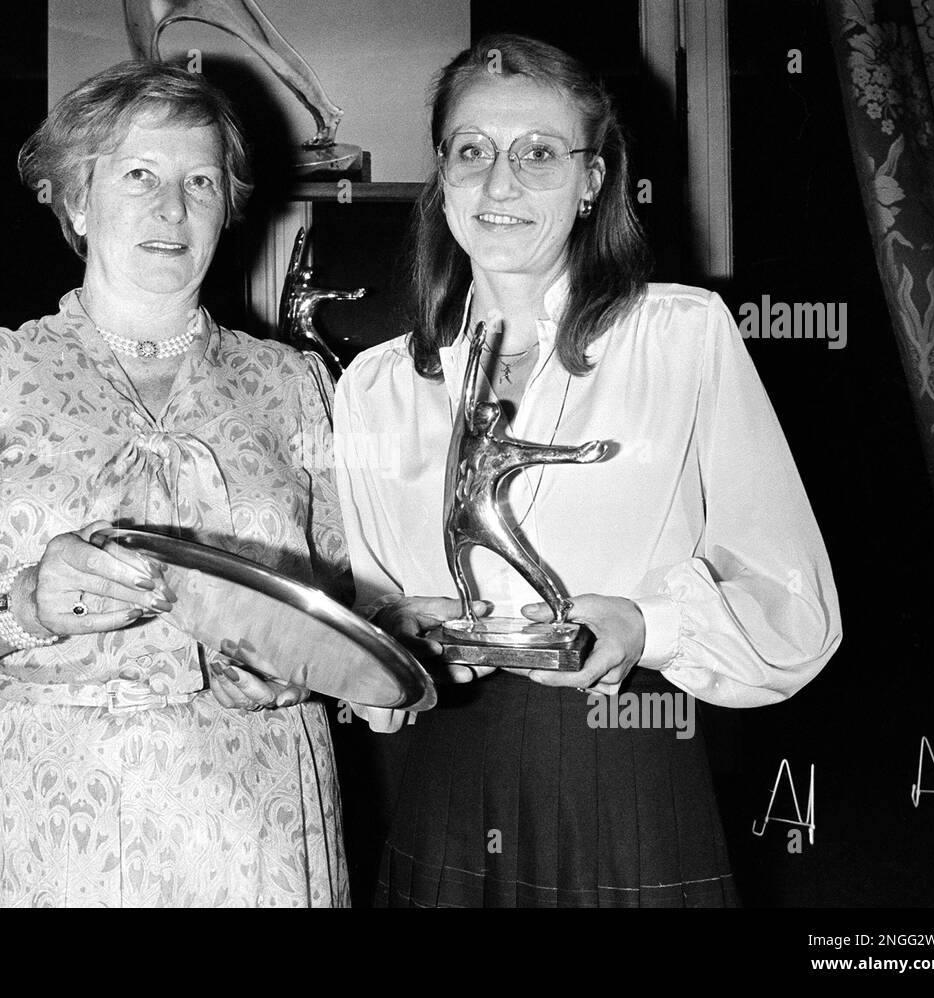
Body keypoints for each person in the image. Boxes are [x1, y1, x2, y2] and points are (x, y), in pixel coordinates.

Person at [333, 33, 842, 907]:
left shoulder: (684, 338)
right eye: (471, 151)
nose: (500, 185)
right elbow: (370, 605)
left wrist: (647, 626)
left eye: (538, 154)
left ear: (593, 180)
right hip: (447, 772)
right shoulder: (376, 385)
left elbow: (794, 604)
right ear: (442, 178)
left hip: (629, 765)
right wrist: (395, 637)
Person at [0, 61, 350, 907]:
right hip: (42, 816)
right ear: (78, 203)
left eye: (200, 180)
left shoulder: (293, 383)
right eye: (139, 176)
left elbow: (344, 606)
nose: (172, 208)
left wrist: (300, 667)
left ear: (229, 206)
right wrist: (25, 604)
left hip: (254, 811)